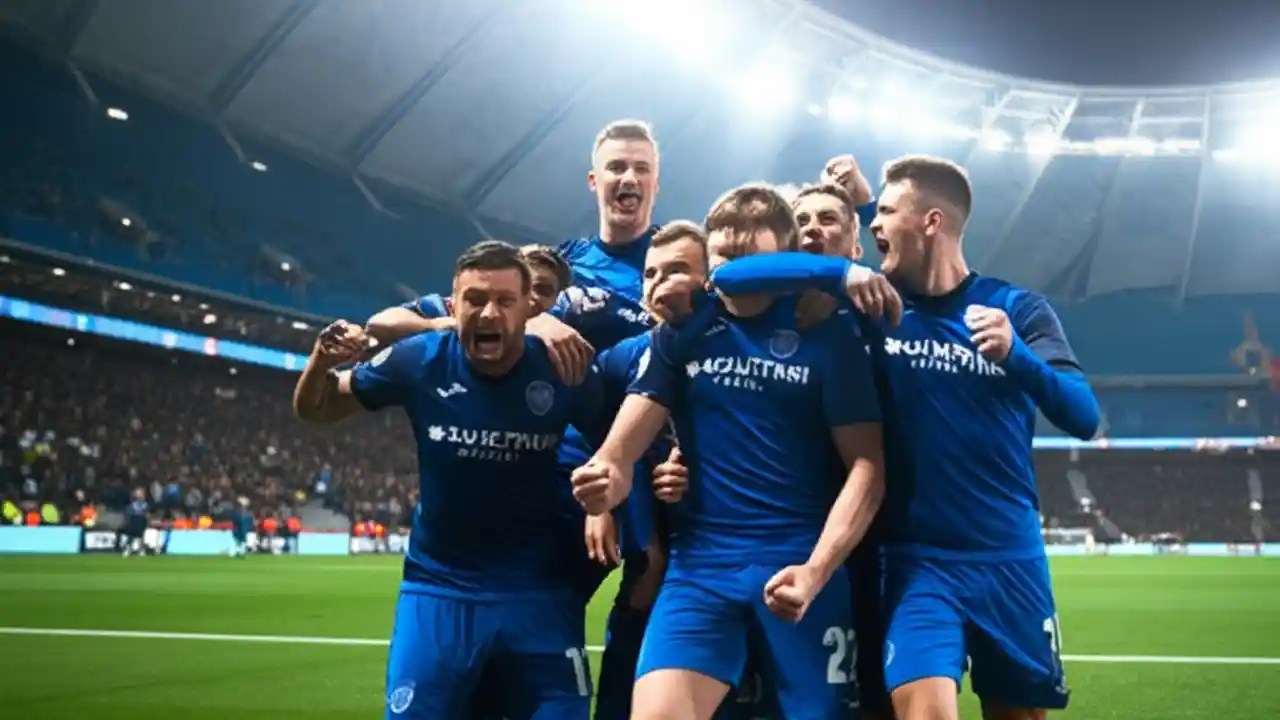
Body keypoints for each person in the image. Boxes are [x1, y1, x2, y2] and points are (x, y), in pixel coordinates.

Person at [709, 156, 1102, 720]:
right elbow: (727, 277)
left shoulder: (1016, 308)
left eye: (886, 213)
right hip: (917, 564)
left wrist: (1018, 357)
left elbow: (1085, 417)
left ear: (932, 222)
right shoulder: (870, 306)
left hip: (1009, 559)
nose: (872, 224)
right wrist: (837, 273)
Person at [573, 184, 886, 720]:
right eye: (722, 256)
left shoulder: (825, 329)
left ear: (786, 258)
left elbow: (868, 467)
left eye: (750, 258)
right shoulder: (687, 330)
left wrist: (816, 570)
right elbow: (620, 449)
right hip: (701, 571)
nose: (733, 271)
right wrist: (605, 478)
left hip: (799, 564)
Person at [293, 240, 604, 719]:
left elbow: (625, 439)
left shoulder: (565, 369)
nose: (488, 313)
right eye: (475, 299)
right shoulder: (419, 359)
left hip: (538, 594)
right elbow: (316, 408)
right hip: (438, 589)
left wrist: (606, 501)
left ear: (529, 309)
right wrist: (319, 360)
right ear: (452, 305)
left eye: (504, 300)